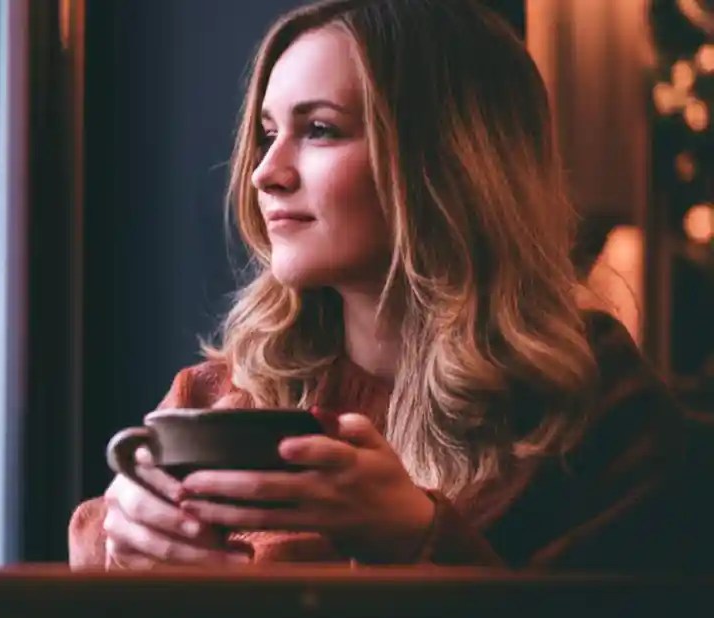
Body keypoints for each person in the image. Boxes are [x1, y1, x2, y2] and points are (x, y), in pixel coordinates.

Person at [70, 0, 709, 573]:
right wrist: (120, 542)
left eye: (319, 129)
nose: (266, 172)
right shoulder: (216, 398)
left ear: (450, 160)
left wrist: (419, 539)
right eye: (267, 134)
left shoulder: (592, 410)